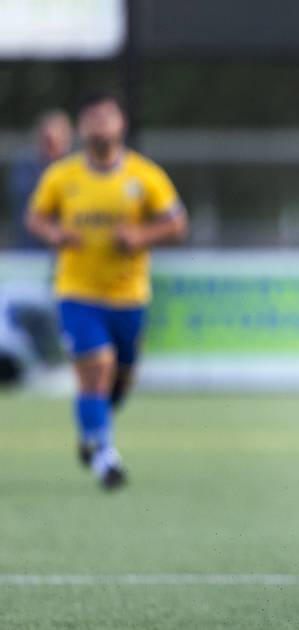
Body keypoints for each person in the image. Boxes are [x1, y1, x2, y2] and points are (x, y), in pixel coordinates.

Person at [25, 92, 188, 490]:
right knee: (97, 369)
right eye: (92, 118)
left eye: (106, 117)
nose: (100, 125)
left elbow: (177, 224)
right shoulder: (62, 177)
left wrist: (141, 235)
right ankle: (105, 456)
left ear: (121, 124)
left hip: (129, 296)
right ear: (81, 128)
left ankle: (92, 428)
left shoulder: (144, 175)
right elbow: (36, 217)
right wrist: (55, 233)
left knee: (120, 380)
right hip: (77, 292)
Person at [7, 110, 73, 249]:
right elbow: (29, 204)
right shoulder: (25, 165)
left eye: (57, 138)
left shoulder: (77, 168)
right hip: (28, 249)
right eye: (47, 139)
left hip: (66, 250)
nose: (52, 144)